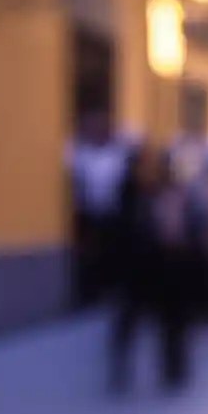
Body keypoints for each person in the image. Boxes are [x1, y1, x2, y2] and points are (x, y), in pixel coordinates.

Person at [109, 146, 201, 393]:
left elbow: (188, 230)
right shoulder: (133, 196)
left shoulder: (176, 195)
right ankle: (122, 370)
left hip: (171, 266)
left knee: (172, 323)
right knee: (130, 320)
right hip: (141, 268)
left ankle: (174, 370)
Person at [68, 112, 128, 305]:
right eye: (91, 128)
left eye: (100, 128)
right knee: (87, 255)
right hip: (86, 214)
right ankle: (88, 294)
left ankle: (107, 291)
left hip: (110, 214)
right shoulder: (80, 153)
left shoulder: (116, 155)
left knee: (109, 255)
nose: (96, 132)